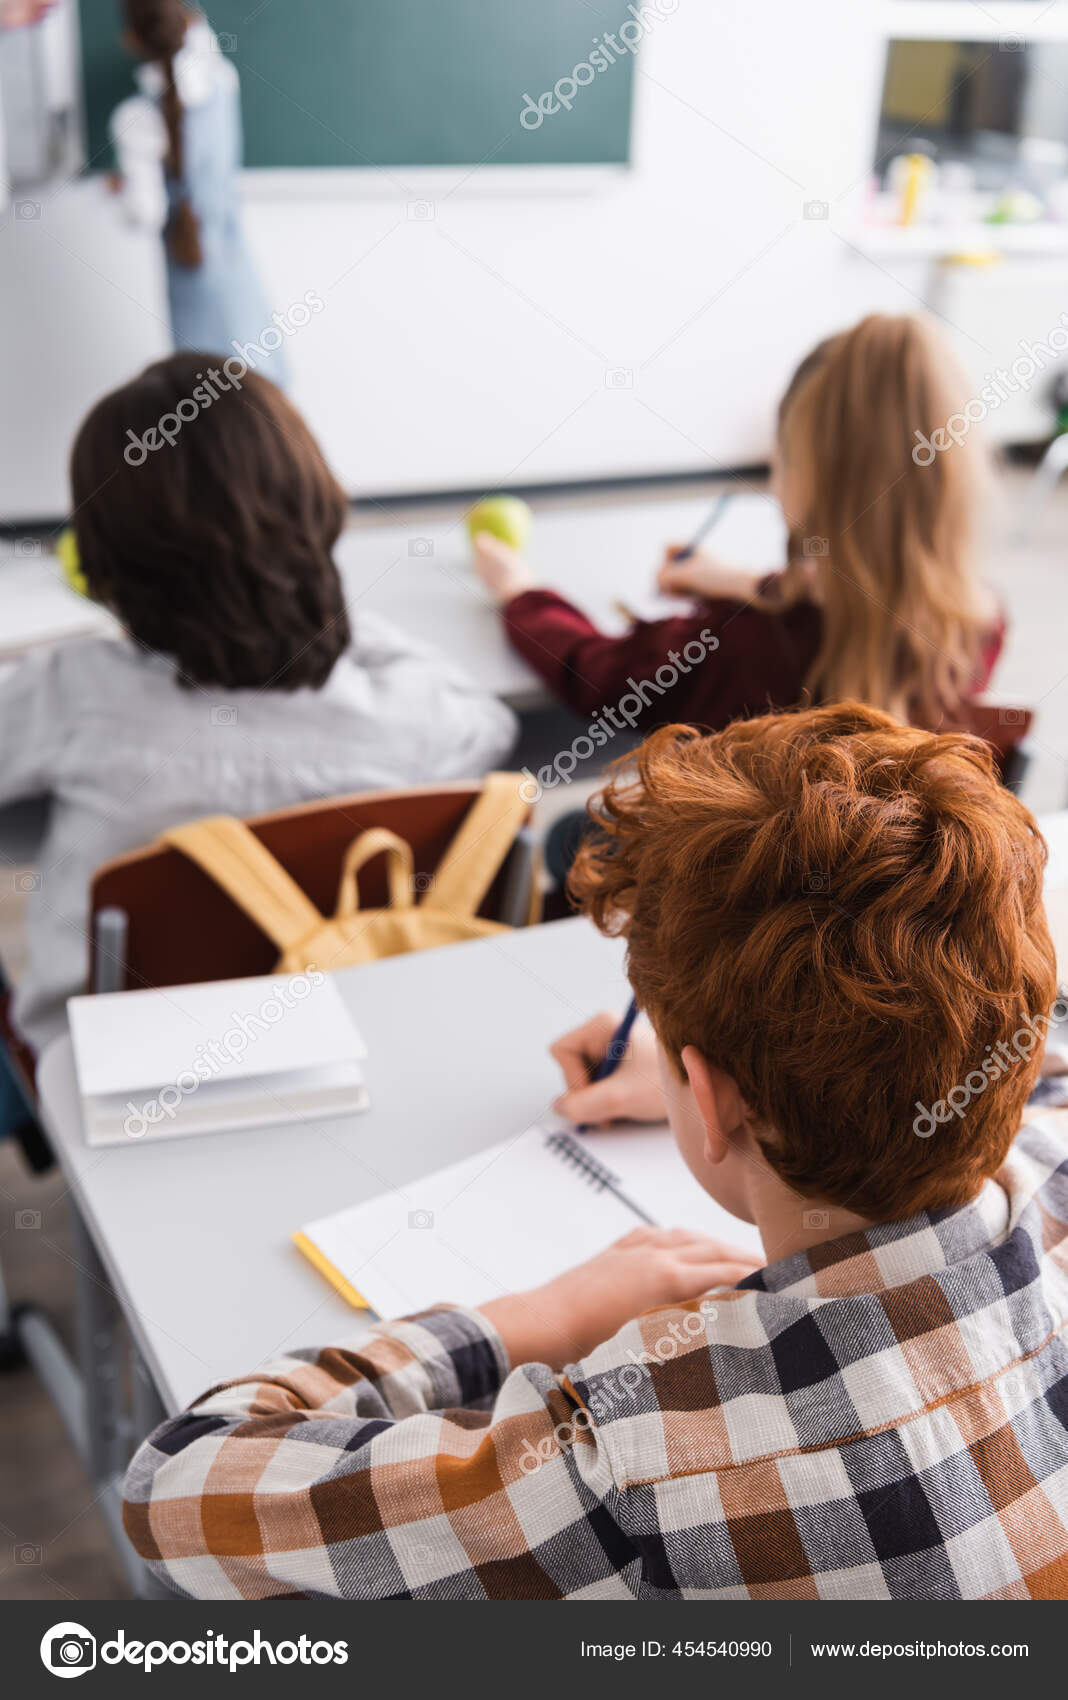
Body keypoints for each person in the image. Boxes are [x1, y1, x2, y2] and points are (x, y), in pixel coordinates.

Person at [122, 703, 1068, 1599]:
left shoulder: (630, 1461)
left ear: (706, 1099)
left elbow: (177, 1488)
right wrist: (786, 1070)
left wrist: (532, 1318)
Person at [0, 353, 516, 1096]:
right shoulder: (412, 718)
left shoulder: (71, 694)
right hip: (346, 1036)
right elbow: (489, 725)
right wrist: (314, 610)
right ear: (321, 512)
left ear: (100, 566)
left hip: (111, 1077)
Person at [474, 315, 1004, 737]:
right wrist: (743, 583)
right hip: (877, 867)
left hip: (725, 871)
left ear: (802, 473)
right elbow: (856, 602)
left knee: (572, 833)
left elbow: (595, 674)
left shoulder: (736, 645)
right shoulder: (979, 624)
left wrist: (520, 592)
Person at [109, 2, 285, 382]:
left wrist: (125, 190)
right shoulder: (222, 79)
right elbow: (201, 38)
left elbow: (146, 214)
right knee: (259, 390)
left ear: (130, 39)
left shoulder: (136, 120)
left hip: (192, 274)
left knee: (209, 403)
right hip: (236, 268)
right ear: (187, 23)